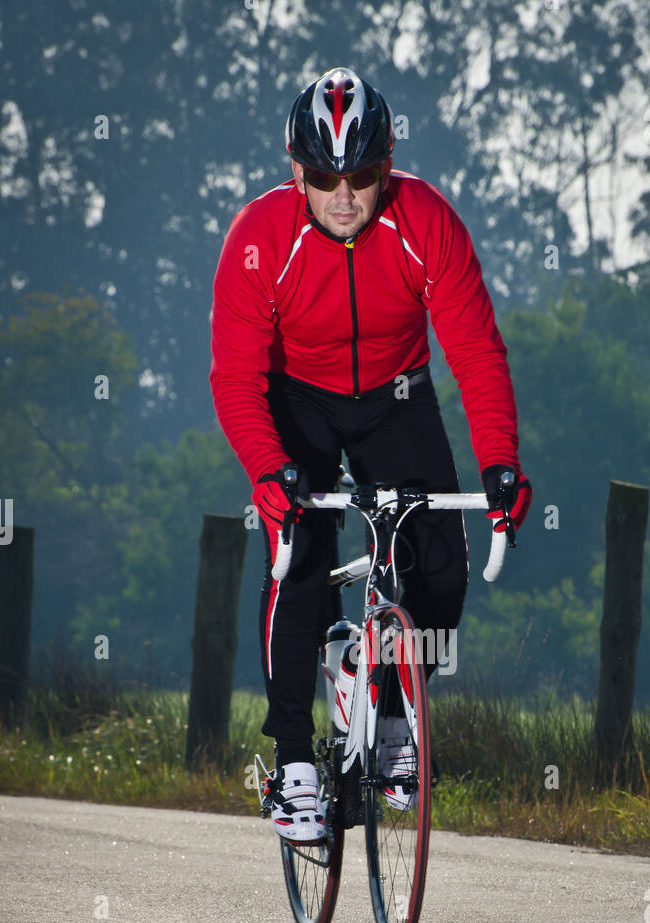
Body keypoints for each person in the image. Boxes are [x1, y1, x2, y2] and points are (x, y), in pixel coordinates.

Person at [209, 66, 531, 843]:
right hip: (296, 401)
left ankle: (390, 720)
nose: (343, 194)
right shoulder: (260, 237)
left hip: (395, 394)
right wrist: (265, 469)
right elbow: (234, 376)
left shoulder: (425, 220)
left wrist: (500, 467)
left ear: (386, 167)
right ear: (297, 170)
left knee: (440, 564)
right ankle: (291, 764)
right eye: (323, 175)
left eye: (360, 175)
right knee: (298, 556)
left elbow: (477, 354)